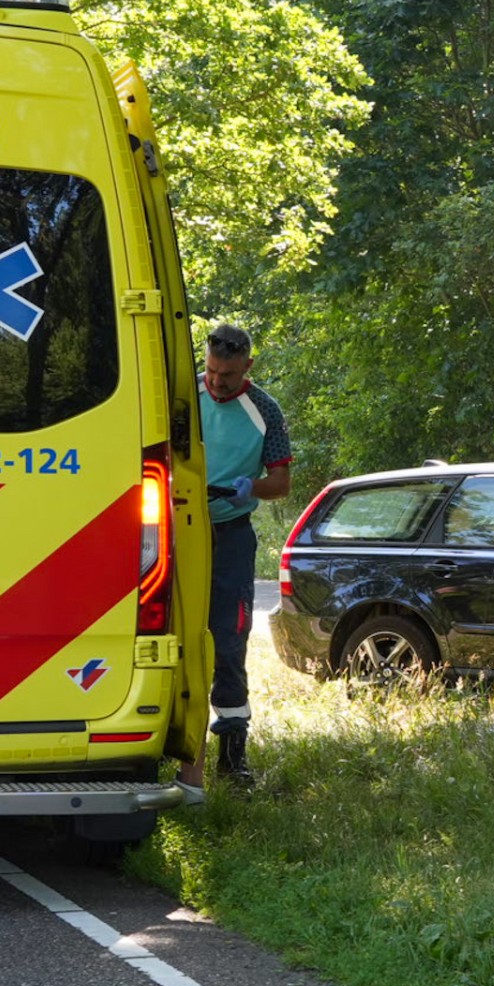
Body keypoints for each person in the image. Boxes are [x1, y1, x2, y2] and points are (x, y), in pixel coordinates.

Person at [180, 324, 291, 790]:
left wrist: (252, 487)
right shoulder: (183, 397)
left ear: (248, 366)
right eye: (210, 370)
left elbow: (281, 483)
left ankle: (232, 756)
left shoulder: (264, 410)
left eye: (227, 374)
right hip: (178, 530)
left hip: (230, 535)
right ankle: (167, 750)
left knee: (228, 640)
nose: (216, 382)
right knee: (172, 637)